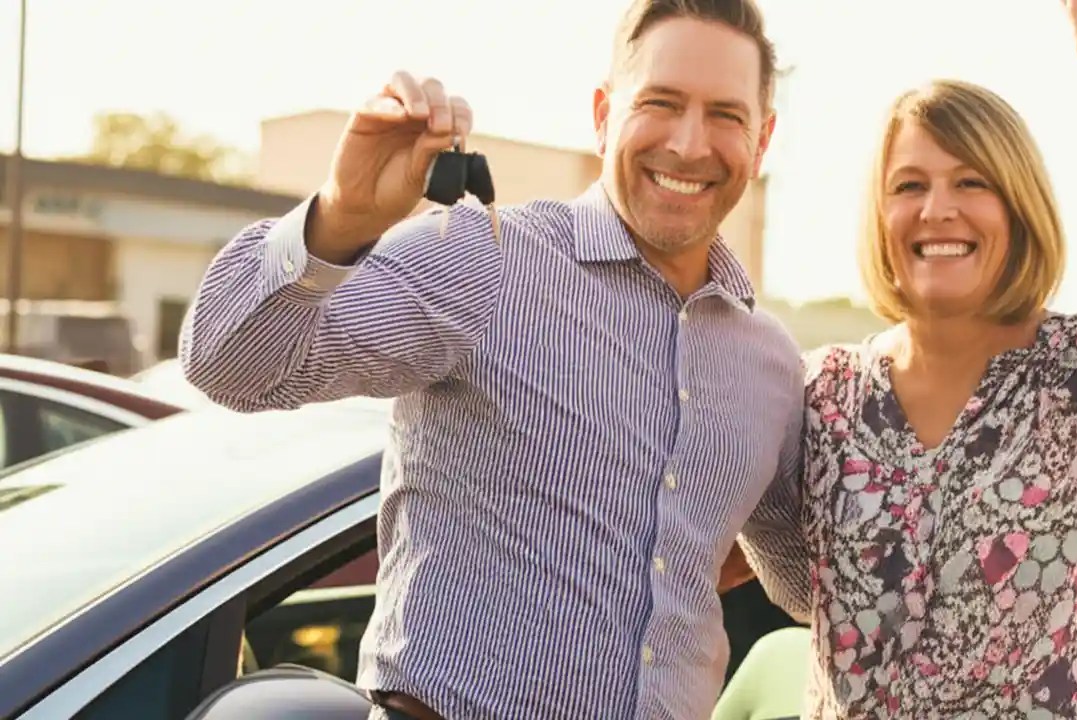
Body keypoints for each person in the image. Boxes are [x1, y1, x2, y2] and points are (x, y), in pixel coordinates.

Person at [179, 0, 805, 718]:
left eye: (726, 115)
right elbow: (228, 361)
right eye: (661, 103)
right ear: (604, 114)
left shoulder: (772, 366)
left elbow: (809, 580)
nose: (690, 145)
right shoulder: (485, 260)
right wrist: (345, 211)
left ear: (762, 142)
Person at [738, 0, 1077, 717]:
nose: (937, 208)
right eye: (909, 185)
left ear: (1017, 206)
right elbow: (793, 581)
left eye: (971, 182)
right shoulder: (820, 395)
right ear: (879, 216)